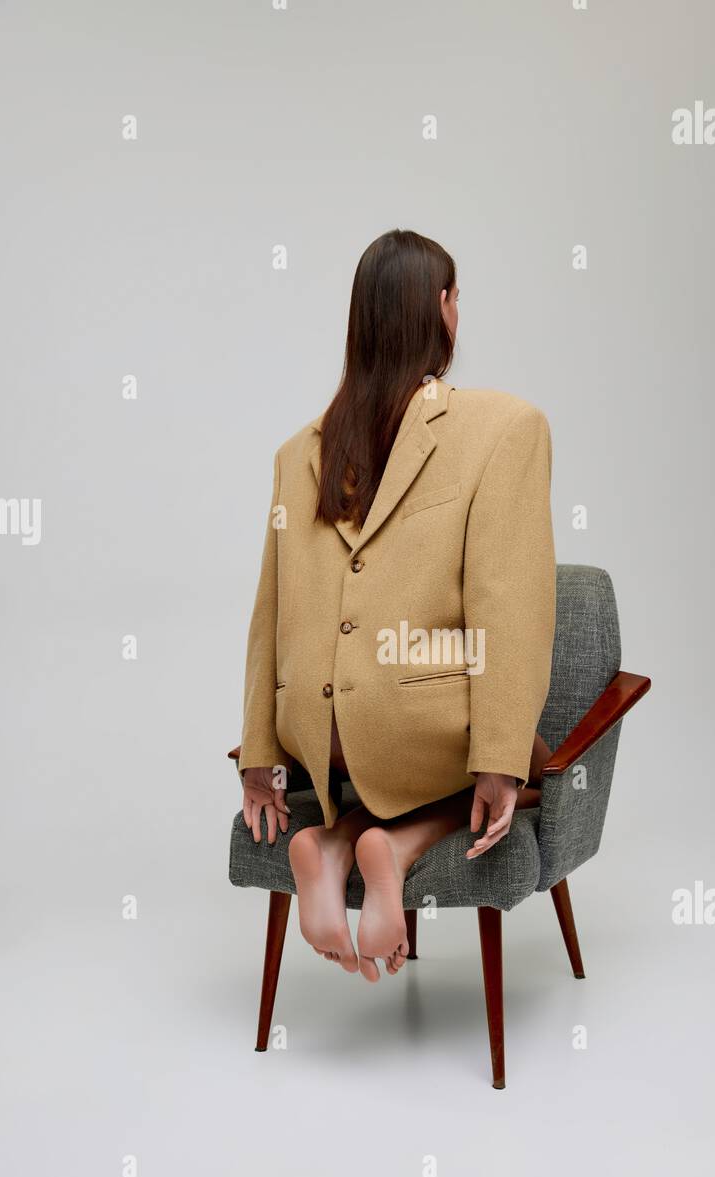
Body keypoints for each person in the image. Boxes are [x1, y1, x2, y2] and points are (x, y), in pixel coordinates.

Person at [239, 229, 556, 982]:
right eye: (456, 299)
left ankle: (342, 837)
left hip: (319, 738)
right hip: (411, 728)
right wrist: (500, 762)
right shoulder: (505, 426)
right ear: (441, 309)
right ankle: (398, 843)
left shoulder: (299, 450)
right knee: (539, 762)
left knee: (467, 735)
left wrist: (260, 759)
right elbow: (505, 602)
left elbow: (269, 613)